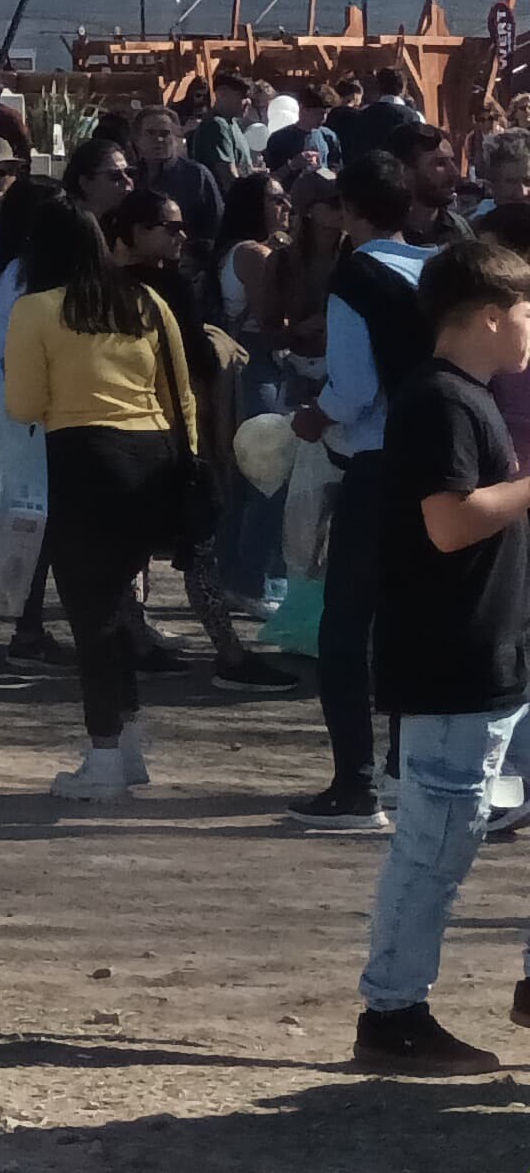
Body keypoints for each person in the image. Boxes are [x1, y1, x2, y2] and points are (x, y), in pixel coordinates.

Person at [345, 234, 530, 1070]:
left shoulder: (468, 396)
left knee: (451, 838)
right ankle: (393, 1013)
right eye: (526, 308)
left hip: (498, 654)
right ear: (491, 316)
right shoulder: (442, 400)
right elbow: (450, 523)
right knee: (435, 848)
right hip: (453, 664)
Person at [0, 194, 207, 802]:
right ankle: (127, 745)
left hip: (85, 461)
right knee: (120, 607)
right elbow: (181, 393)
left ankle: (107, 754)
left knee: (93, 614)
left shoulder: (36, 309)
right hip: (155, 458)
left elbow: (24, 405)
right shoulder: (146, 300)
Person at [296, 146, 437, 832]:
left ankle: (354, 782)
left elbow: (352, 389)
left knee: (346, 627)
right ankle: (407, 766)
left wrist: (310, 416)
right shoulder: (440, 267)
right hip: (444, 462)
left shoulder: (355, 277)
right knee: (416, 620)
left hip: (377, 464)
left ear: (349, 212)